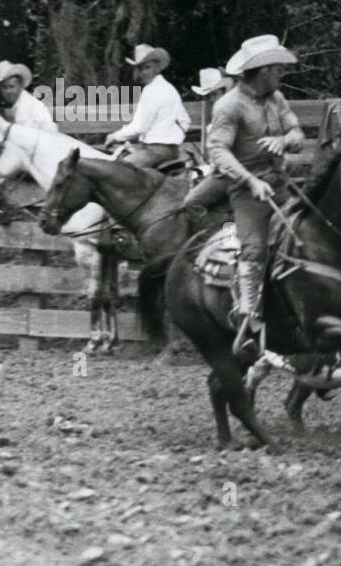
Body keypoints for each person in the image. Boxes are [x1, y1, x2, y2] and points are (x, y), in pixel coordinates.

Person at [204, 34, 305, 359]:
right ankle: (248, 319)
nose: (281, 74)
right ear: (262, 70)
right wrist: (249, 180)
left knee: (314, 226)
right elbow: (217, 149)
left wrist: (284, 142)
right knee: (255, 247)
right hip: (247, 189)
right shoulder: (228, 105)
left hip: (281, 180)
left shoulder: (277, 99)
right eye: (277, 69)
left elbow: (298, 134)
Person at [105, 44, 191, 168]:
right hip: (170, 150)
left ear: (157, 67)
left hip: (155, 151)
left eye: (148, 67)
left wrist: (114, 136)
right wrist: (171, 135)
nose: (143, 72)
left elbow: (139, 127)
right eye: (140, 69)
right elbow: (185, 121)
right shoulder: (169, 88)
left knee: (117, 170)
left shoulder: (152, 90)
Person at [181, 68, 235, 225]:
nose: (212, 99)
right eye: (209, 95)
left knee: (192, 202)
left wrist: (213, 167)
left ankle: (212, 236)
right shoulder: (221, 114)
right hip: (222, 170)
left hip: (230, 173)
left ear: (224, 91)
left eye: (214, 94)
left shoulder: (229, 113)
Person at [0, 60, 57, 132]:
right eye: (4, 87)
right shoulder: (17, 104)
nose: (8, 91)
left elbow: (26, 134)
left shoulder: (29, 104)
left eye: (11, 87)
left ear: (21, 86)